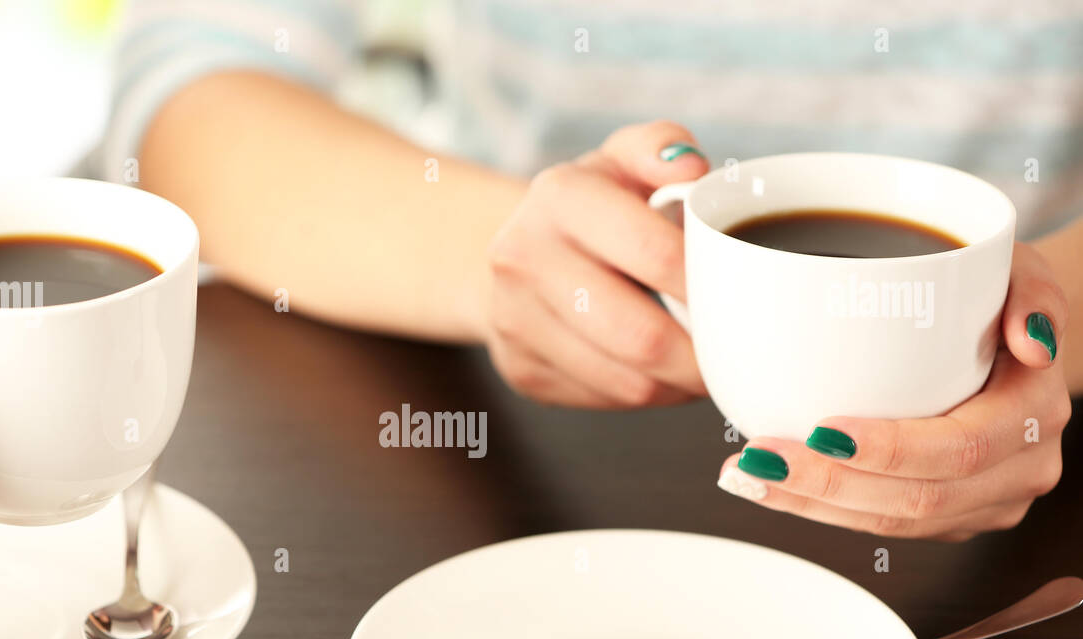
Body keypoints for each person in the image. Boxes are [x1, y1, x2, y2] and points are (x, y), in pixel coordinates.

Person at [102, 0, 1082, 541]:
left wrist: (1055, 309)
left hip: (1036, 455)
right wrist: (503, 264)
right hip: (514, 452)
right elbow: (191, 84)